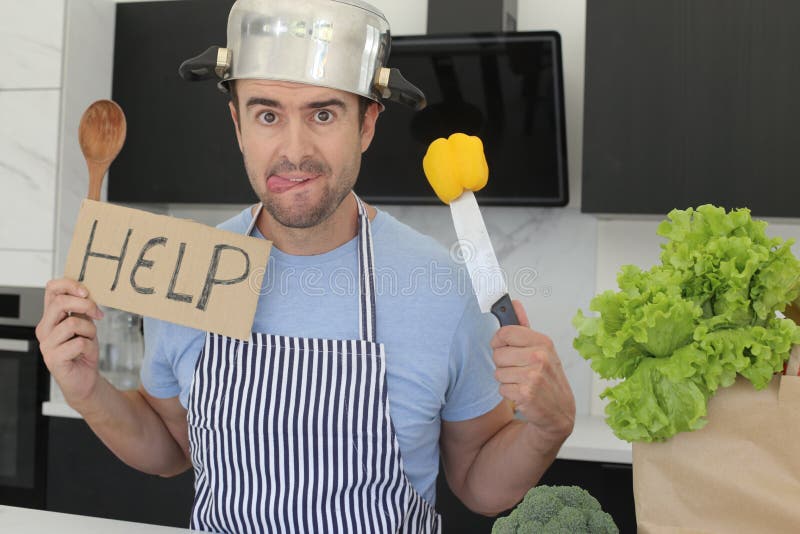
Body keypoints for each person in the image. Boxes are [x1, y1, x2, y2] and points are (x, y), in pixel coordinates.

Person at [35, 0, 575, 532]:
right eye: (268, 115)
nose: (294, 150)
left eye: (323, 114)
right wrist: (87, 391)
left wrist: (548, 428)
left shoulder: (443, 287)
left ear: (366, 124)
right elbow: (171, 449)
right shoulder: (189, 269)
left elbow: (479, 486)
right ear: (238, 124)